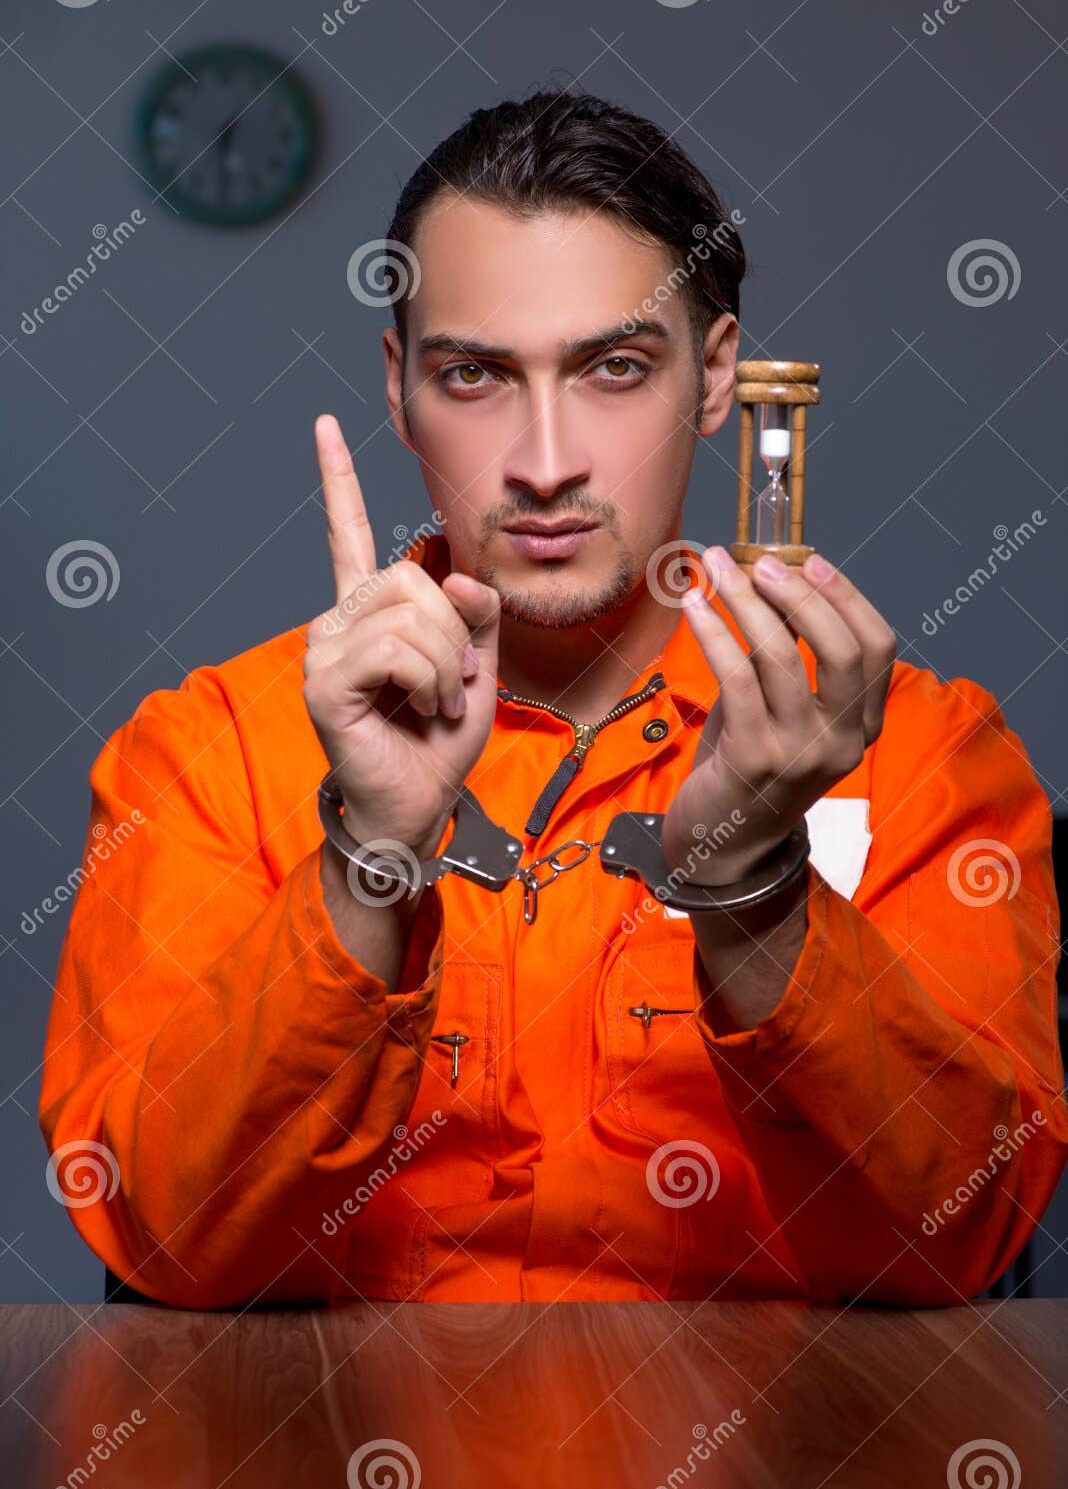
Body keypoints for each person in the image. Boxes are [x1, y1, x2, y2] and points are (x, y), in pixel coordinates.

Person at [39, 90, 1065, 1310]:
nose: (543, 461)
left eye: (614, 369)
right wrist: (369, 854)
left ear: (720, 373)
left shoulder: (924, 752)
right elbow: (164, 1241)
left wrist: (754, 887)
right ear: (399, 387)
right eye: (475, 375)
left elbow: (958, 1244)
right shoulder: (210, 754)